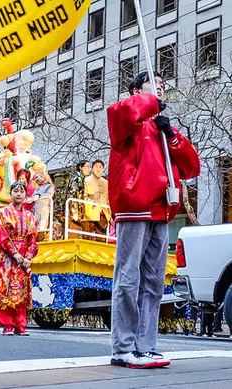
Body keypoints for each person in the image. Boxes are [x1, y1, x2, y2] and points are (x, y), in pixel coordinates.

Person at [107, 71, 201, 368]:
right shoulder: (126, 116)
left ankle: (145, 346)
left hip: (162, 210)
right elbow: (120, 113)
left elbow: (191, 167)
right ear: (137, 89)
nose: (161, 88)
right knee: (128, 277)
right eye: (154, 84)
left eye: (163, 86)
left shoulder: (161, 127)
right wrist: (149, 103)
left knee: (153, 282)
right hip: (134, 207)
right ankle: (123, 347)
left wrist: (172, 135)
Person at [0, 181, 39, 336]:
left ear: (26, 195)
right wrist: (15, 254)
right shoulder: (3, 213)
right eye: (15, 191)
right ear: (10, 194)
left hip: (24, 259)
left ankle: (20, 324)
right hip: (8, 257)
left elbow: (33, 239)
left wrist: (28, 257)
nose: (19, 194)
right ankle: (7, 324)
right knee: (6, 287)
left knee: (22, 290)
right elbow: (1, 237)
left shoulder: (30, 217)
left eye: (21, 191)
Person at [82, 159, 111, 242]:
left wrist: (110, 215)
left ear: (103, 169)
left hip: (102, 214)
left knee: (101, 240)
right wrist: (93, 202)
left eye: (100, 167)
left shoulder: (106, 182)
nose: (98, 169)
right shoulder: (86, 180)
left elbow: (108, 199)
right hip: (89, 214)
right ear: (92, 168)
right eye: (96, 167)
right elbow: (84, 196)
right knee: (87, 239)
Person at [25, 171, 55, 239]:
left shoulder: (50, 186)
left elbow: (49, 195)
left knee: (42, 225)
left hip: (44, 207)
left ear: (44, 177)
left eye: (38, 177)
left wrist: (39, 196)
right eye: (35, 177)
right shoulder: (37, 189)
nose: (36, 179)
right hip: (36, 209)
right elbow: (31, 198)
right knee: (35, 225)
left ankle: (41, 238)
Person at [66, 161, 90, 238]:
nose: (89, 169)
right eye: (87, 166)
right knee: (73, 231)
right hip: (75, 211)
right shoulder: (77, 178)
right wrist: (74, 212)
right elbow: (72, 195)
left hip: (79, 210)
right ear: (80, 167)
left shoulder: (82, 179)